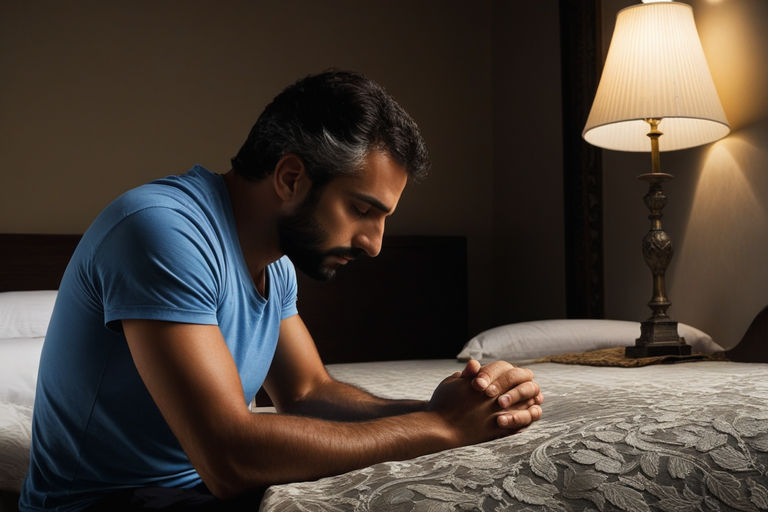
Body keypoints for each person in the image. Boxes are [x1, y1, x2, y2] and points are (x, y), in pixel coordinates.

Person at [19, 70, 543, 511]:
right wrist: (441, 429)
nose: (375, 245)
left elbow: (308, 393)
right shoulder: (162, 230)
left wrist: (456, 407)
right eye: (363, 210)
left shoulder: (277, 263)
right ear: (291, 177)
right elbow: (230, 457)